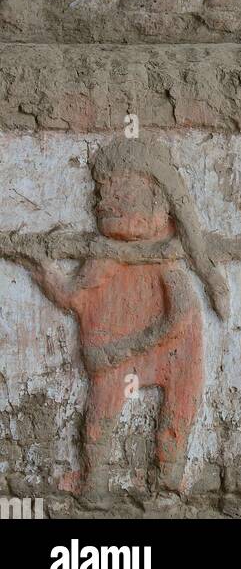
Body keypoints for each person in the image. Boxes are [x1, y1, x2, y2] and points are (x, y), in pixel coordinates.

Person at [9, 139, 228, 499]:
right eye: (102, 192)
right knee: (98, 417)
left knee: (179, 411)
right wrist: (43, 269)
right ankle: (94, 483)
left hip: (168, 354)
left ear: (160, 201)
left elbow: (180, 318)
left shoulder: (166, 262)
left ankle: (166, 487)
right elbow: (73, 297)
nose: (105, 203)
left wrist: (120, 350)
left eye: (122, 193)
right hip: (116, 358)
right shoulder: (103, 257)